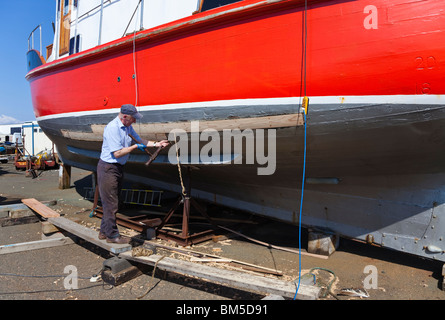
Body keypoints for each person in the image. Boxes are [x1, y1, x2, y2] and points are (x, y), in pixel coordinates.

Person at [97, 104, 169, 243]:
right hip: (108, 168)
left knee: (111, 201)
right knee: (111, 203)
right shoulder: (113, 128)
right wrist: (135, 147)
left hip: (117, 168)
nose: (135, 121)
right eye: (133, 119)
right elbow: (117, 153)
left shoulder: (127, 126)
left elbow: (139, 139)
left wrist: (156, 144)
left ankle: (103, 232)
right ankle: (112, 236)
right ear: (124, 117)